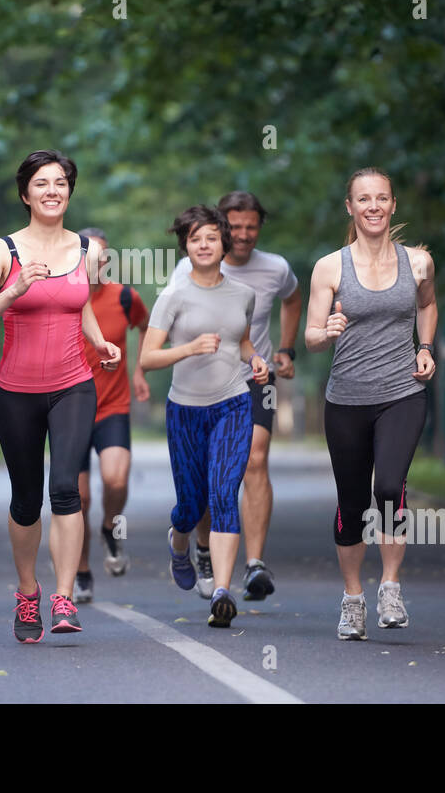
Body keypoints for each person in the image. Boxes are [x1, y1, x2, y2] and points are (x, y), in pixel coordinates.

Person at [0, 151, 121, 643]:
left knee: (66, 490)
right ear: (25, 193)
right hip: (17, 391)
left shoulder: (85, 250)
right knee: (27, 500)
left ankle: (64, 596)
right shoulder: (2, 252)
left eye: (60, 183)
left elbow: (79, 306)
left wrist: (98, 342)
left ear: (70, 191)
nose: (52, 191)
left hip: (74, 384)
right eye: (41, 183)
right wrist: (15, 289)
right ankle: (28, 591)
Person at [303, 167, 437, 641]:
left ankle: (392, 588)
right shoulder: (330, 267)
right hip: (347, 400)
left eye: (381, 198)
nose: (373, 206)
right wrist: (328, 333)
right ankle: (353, 598)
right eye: (364, 199)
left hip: (402, 393)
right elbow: (312, 337)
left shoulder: (418, 262)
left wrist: (424, 348)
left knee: (390, 486)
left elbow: (426, 304)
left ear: (393, 205)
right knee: (352, 502)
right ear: (351, 207)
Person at [140, 206, 269, 628]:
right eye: (195, 238)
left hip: (233, 404)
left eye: (211, 237)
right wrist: (190, 348)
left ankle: (222, 591)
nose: (204, 245)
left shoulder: (243, 295)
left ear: (223, 242)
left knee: (223, 493)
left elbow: (242, 342)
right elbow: (148, 357)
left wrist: (257, 361)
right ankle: (180, 546)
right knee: (191, 506)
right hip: (185, 412)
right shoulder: (173, 296)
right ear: (186, 246)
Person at [169, 192, 300, 600]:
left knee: (255, 458)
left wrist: (285, 349)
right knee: (212, 474)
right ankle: (204, 548)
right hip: (204, 384)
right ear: (222, 228)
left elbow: (293, 300)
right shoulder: (190, 267)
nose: (243, 235)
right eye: (236, 226)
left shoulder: (275, 268)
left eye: (251, 227)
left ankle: (254, 564)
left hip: (253, 378)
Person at [71, 227, 151, 605]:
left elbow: (147, 327)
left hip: (113, 405)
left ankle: (109, 528)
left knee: (115, 480)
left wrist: (139, 370)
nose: (96, 264)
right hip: (70, 408)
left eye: (102, 258)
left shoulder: (123, 296)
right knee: (79, 498)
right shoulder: (64, 297)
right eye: (88, 257)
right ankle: (82, 572)